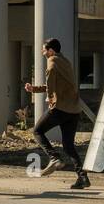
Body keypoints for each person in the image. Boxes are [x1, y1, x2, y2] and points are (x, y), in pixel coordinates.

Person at [25, 38, 90, 190]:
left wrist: (52, 103)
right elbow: (58, 84)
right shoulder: (65, 61)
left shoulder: (52, 62)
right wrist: (34, 89)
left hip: (60, 108)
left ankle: (54, 158)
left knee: (37, 131)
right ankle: (83, 178)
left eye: (44, 50)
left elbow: (50, 86)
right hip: (74, 110)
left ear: (51, 51)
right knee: (68, 146)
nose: (42, 53)